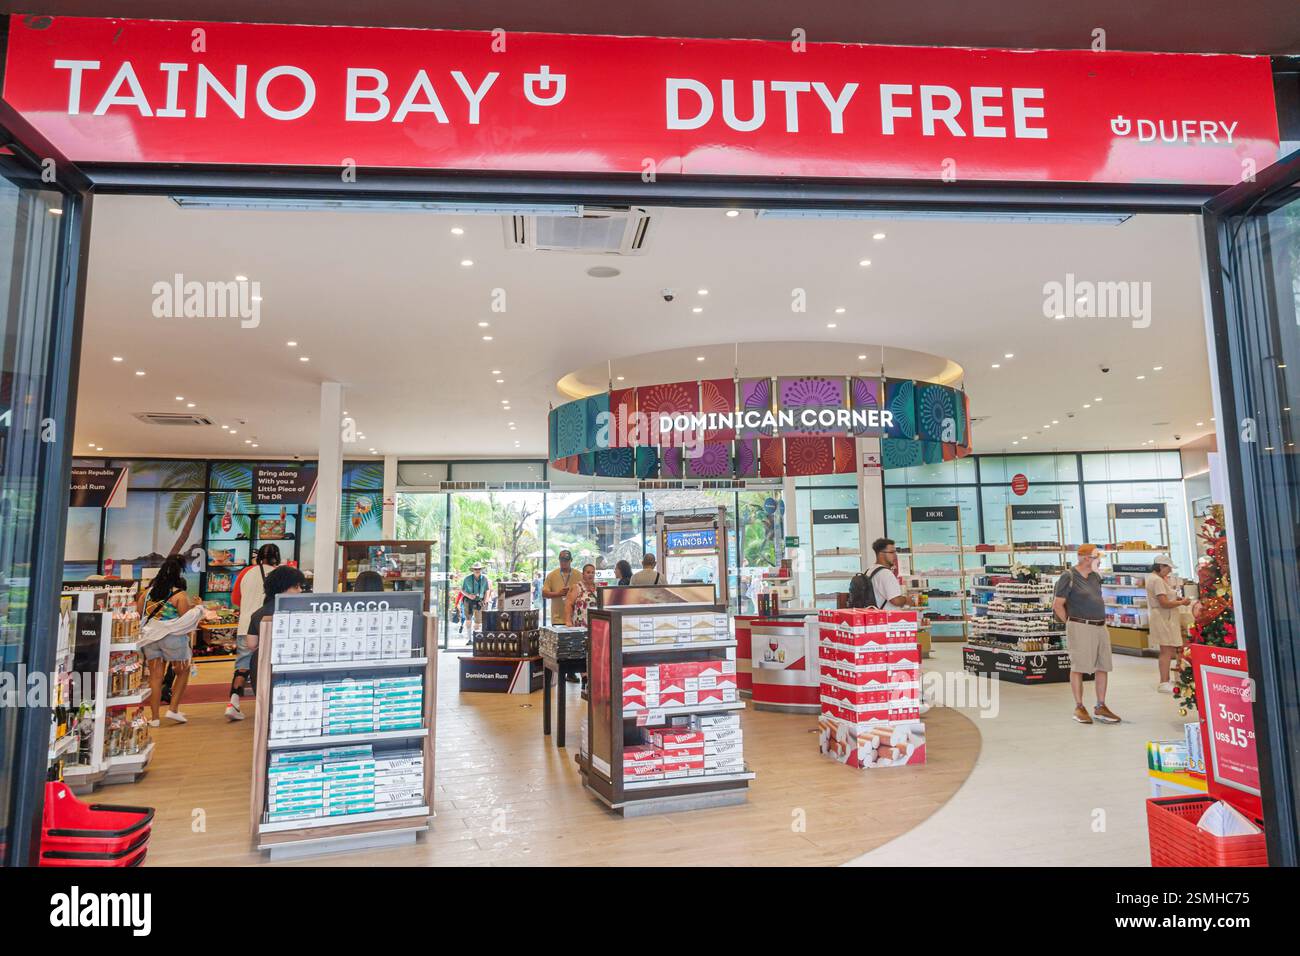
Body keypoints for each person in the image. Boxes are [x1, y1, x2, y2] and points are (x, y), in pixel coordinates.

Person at [229, 566, 308, 721]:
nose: (299, 591)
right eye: (296, 586)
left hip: (262, 666)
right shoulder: (299, 611)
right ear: (283, 587)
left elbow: (251, 644)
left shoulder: (259, 613)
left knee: (268, 707)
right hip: (290, 667)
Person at [1054, 543, 1121, 724]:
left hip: (1100, 626)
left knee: (1103, 665)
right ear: (1085, 558)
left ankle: (1101, 705)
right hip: (1080, 625)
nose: (1098, 561)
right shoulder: (1068, 577)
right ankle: (1079, 706)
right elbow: (1058, 604)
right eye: (1095, 557)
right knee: (1079, 667)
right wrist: (1070, 623)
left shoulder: (1095, 577)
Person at [136, 555, 207, 726]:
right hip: (173, 640)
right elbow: (184, 620)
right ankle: (173, 709)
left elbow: (140, 615)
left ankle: (154, 718)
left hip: (150, 639)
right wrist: (198, 607)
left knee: (155, 677)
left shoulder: (145, 594)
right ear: (178, 575)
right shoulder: (179, 595)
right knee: (182, 671)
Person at [1146, 554, 1192, 693]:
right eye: (1168, 568)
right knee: (1166, 651)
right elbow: (1164, 603)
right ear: (1161, 566)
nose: (1170, 571)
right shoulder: (1157, 580)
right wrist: (1182, 602)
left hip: (1163, 617)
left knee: (1168, 649)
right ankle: (1164, 682)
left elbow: (1165, 597)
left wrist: (1175, 598)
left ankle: (1165, 680)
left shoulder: (1154, 579)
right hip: (1163, 617)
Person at [233, 544, 281, 638]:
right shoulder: (279, 574)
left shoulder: (245, 572)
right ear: (277, 557)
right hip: (269, 626)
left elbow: (235, 599)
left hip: (245, 626)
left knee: (245, 652)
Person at [851, 538, 910, 608]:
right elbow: (895, 600)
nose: (895, 555)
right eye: (891, 552)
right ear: (881, 554)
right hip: (887, 617)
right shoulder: (886, 573)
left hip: (875, 614)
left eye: (895, 552)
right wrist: (907, 600)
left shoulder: (870, 570)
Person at [542, 549, 578, 625]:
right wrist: (558, 593)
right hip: (557, 620)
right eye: (562, 560)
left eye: (566, 560)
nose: (563, 562)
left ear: (571, 560)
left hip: (575, 619)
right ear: (559, 560)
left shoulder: (579, 575)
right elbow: (544, 594)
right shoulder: (552, 575)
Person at [460, 562, 490, 633]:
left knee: (478, 621)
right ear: (473, 570)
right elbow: (462, 590)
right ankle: (469, 638)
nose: (477, 570)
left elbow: (487, 590)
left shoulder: (485, 579)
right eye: (475, 569)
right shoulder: (467, 579)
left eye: (479, 569)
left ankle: (475, 637)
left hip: (480, 601)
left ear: (481, 570)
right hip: (468, 601)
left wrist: (485, 601)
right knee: (468, 619)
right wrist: (469, 595)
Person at [566, 563, 598, 629]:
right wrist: (568, 621)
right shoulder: (577, 587)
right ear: (583, 574)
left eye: (593, 572)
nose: (591, 574)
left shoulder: (598, 588)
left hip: (595, 624)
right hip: (580, 624)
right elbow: (569, 604)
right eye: (588, 572)